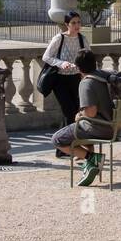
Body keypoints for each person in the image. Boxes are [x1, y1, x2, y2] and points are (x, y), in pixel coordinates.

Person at [51, 49, 116, 187]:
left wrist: (79, 115)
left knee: (57, 139)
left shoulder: (86, 83)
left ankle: (92, 158)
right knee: (83, 129)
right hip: (114, 127)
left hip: (99, 128)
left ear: (78, 68)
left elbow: (91, 113)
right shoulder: (105, 76)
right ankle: (90, 165)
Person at [42, 13, 88, 153]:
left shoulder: (82, 39)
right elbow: (46, 57)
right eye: (73, 23)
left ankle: (62, 148)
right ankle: (70, 147)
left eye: (78, 22)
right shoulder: (59, 38)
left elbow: (88, 56)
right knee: (69, 112)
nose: (77, 26)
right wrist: (61, 63)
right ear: (67, 24)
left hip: (76, 79)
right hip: (60, 79)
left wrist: (84, 70)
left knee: (73, 112)